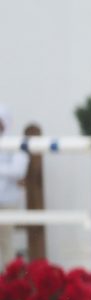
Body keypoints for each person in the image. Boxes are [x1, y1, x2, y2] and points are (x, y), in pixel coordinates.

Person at [0, 105, 27, 261]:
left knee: (5, 240)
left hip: (8, 200)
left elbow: (18, 170)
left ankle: (8, 274)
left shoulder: (16, 141)